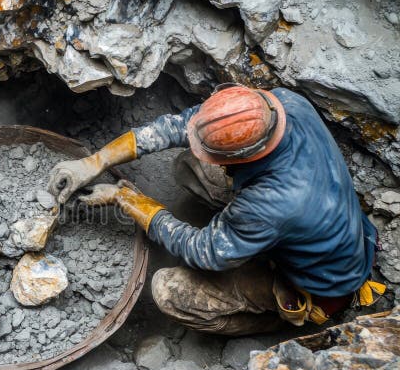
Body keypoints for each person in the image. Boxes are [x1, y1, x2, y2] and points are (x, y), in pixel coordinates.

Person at [48, 84, 386, 335]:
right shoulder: (280, 104)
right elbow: (176, 127)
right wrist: (95, 161)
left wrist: (128, 200)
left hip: (322, 282)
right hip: (323, 215)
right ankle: (252, 244)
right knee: (191, 164)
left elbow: (204, 251)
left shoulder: (269, 205)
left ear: (244, 158)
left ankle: (277, 320)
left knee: (169, 290)